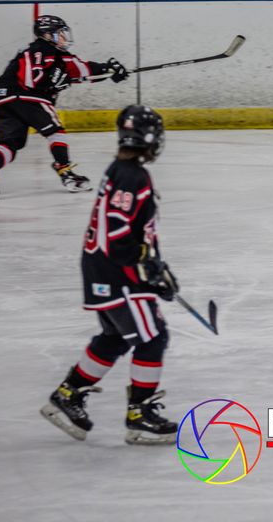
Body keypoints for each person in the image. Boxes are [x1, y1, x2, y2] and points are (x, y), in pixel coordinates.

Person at [40, 105, 180, 445]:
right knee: (153, 337)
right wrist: (146, 271)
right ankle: (140, 415)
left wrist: (154, 267)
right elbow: (117, 235)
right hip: (117, 274)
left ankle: (68, 395)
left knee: (116, 336)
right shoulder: (133, 176)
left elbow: (125, 231)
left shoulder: (121, 170)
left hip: (102, 269)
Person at [0, 14, 128, 199]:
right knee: (56, 131)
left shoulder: (49, 54)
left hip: (1, 101)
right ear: (47, 35)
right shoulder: (43, 50)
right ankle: (65, 172)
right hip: (26, 97)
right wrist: (53, 82)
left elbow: (81, 70)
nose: (63, 37)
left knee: (11, 143)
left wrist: (108, 70)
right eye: (59, 33)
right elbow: (36, 79)